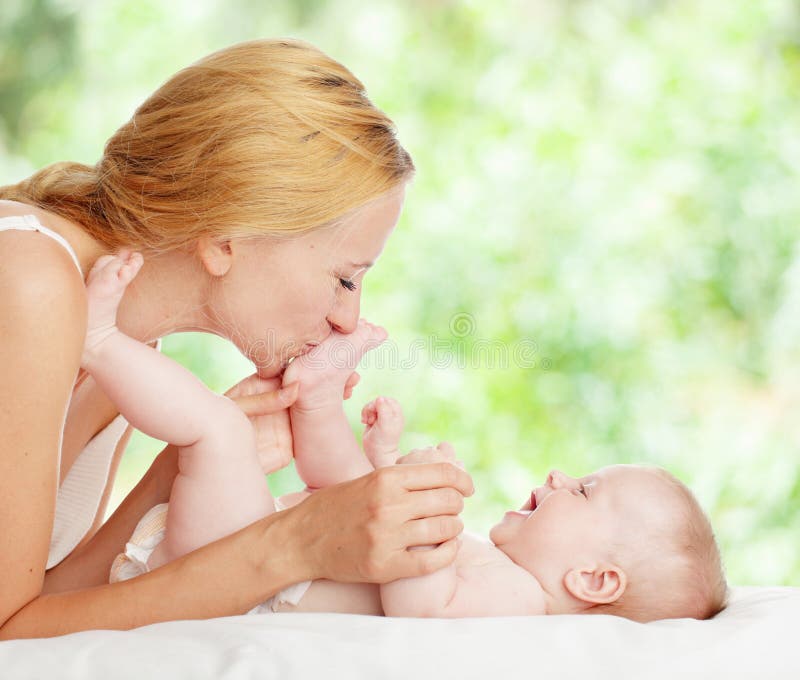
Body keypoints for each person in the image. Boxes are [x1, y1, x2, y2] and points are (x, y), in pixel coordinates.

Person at [0, 38, 473, 639]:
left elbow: (48, 608)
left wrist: (184, 463)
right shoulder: (31, 282)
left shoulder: (126, 338)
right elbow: (8, 638)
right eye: (345, 278)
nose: (349, 321)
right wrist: (295, 543)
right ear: (227, 236)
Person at [99, 260, 727, 622]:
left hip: (231, 572)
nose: (562, 476)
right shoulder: (501, 567)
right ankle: (318, 397)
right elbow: (361, 530)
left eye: (586, 490)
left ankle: (97, 343)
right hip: (261, 548)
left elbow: (422, 609)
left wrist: (426, 520)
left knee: (219, 431)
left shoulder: (520, 605)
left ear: (593, 580)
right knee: (344, 489)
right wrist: (387, 470)